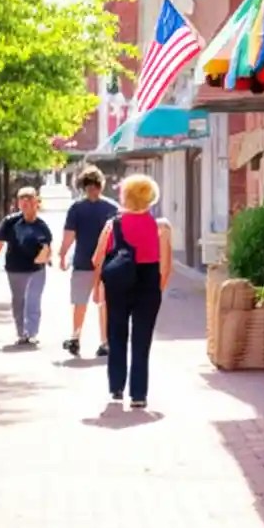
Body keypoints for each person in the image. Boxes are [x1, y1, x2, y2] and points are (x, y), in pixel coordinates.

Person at [91, 174, 172, 408]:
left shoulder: (112, 224)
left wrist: (98, 288)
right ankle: (138, 395)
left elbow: (97, 259)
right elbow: (166, 267)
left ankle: (116, 388)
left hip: (118, 285)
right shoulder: (162, 227)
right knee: (141, 340)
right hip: (148, 286)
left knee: (116, 336)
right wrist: (157, 290)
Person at [58, 166, 118, 357]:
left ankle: (76, 337)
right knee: (105, 304)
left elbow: (69, 235)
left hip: (84, 262)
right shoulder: (112, 208)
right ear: (101, 185)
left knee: (80, 303)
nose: (92, 189)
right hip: (107, 264)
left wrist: (62, 255)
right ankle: (106, 342)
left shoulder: (77, 208)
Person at [0, 187, 53, 346]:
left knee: (33, 300)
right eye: (22, 199)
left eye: (29, 199)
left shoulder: (42, 226)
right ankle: (22, 333)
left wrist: (47, 257)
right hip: (15, 268)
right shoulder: (10, 222)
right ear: (18, 203)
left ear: (36, 202)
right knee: (19, 301)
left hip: (36, 270)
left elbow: (48, 247)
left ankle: (32, 332)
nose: (26, 202)